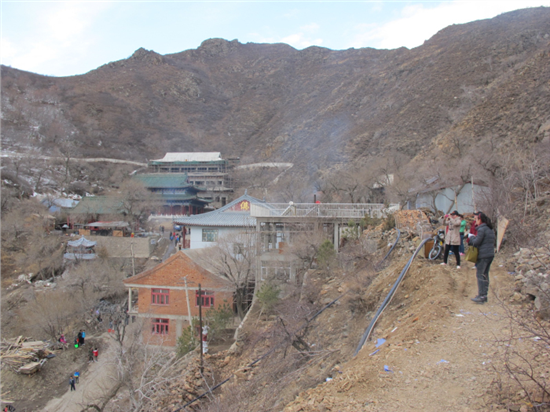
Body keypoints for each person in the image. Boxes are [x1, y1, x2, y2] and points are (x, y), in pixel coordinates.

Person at [468, 212, 495, 304]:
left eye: (476, 219)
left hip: (483, 255)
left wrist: (471, 238)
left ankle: (481, 295)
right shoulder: (490, 229)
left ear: (480, 220)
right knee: (485, 274)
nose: (475, 221)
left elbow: (476, 242)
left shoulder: (482, 229)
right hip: (490, 254)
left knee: (480, 275)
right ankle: (484, 294)